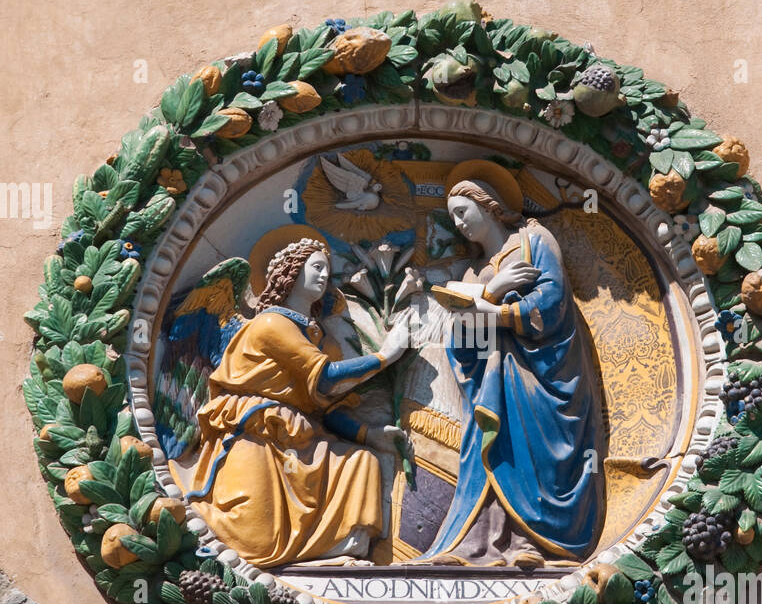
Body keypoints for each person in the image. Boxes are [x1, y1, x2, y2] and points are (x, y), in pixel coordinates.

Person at [415, 162, 604, 567]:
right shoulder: (474, 273)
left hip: (540, 373)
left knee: (531, 454)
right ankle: (478, 546)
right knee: (489, 450)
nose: (459, 223)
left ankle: (532, 544)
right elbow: (464, 344)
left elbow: (551, 306)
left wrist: (491, 310)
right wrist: (491, 292)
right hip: (493, 381)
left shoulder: (534, 241)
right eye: (452, 218)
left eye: (463, 212)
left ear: (488, 205)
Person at [185, 237, 411, 567]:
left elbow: (325, 407)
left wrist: (368, 435)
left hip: (300, 436)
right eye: (316, 267)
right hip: (257, 432)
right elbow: (325, 378)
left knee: (362, 461)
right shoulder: (271, 324)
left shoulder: (318, 338)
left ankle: (339, 549)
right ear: (291, 272)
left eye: (328, 271)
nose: (323, 276)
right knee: (254, 537)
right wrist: (385, 356)